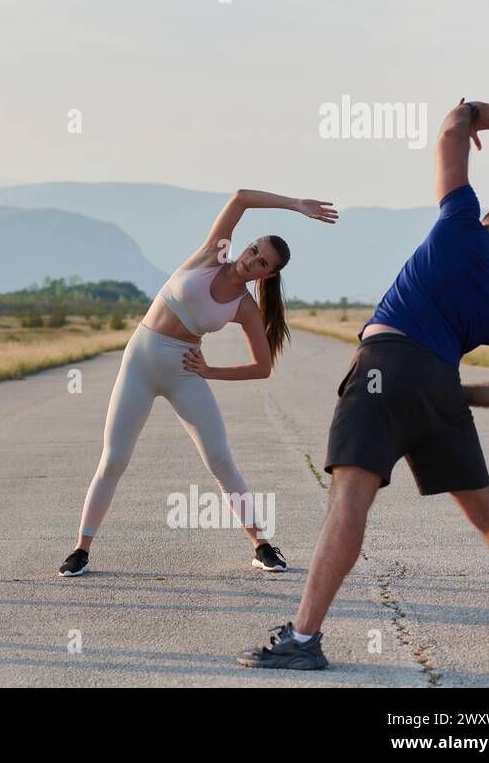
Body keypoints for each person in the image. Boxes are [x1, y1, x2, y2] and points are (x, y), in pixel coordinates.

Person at [238, 99, 489, 672]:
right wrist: (462, 396)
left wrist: (470, 113)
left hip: (385, 365)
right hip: (438, 384)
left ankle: (305, 639)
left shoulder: (461, 222)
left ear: (488, 228)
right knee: (487, 513)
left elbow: (448, 137)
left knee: (349, 503)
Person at [58, 189, 338, 579]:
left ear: (267, 275)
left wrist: (211, 371)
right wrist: (296, 205)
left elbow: (263, 367)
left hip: (184, 373)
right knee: (114, 459)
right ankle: (80, 550)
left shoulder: (244, 307)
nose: (251, 259)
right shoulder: (212, 254)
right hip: (139, 363)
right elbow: (240, 198)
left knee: (221, 460)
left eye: (261, 262)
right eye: (253, 249)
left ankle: (261, 545)